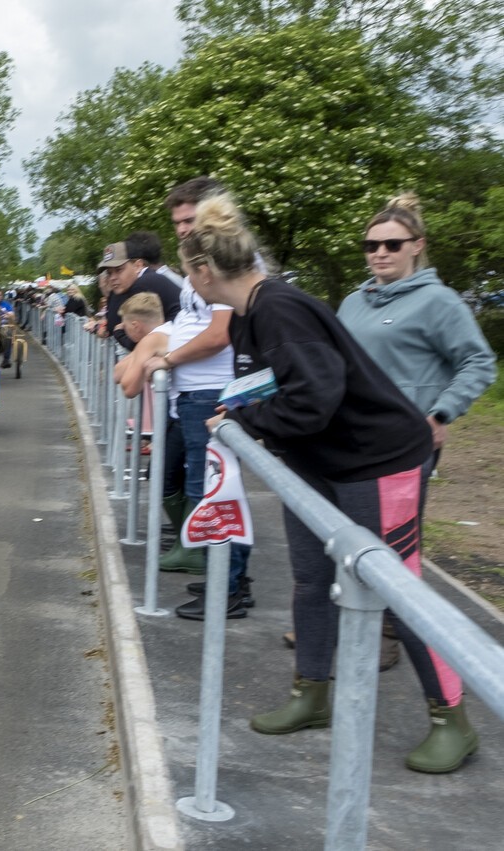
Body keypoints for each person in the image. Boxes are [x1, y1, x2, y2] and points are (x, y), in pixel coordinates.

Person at [187, 192, 477, 774]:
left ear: (204, 272)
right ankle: (310, 693)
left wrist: (245, 423)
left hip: (381, 459)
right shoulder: (251, 314)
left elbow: (314, 400)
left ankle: (453, 720)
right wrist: (241, 414)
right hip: (320, 462)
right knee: (311, 579)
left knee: (399, 590)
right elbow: (274, 388)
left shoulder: (279, 309)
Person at [336, 192, 497, 671]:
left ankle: (389, 634)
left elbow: (478, 361)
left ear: (416, 246)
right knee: (349, 536)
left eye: (391, 244)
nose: (379, 253)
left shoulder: (439, 301)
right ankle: (339, 624)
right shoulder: (353, 301)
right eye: (371, 245)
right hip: (351, 442)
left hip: (405, 446)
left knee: (394, 546)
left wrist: (440, 413)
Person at [142, 176, 253, 620]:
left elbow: (218, 335)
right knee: (211, 491)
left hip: (213, 392)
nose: (184, 229)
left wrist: (169, 359)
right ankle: (227, 580)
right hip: (196, 394)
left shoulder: (228, 259)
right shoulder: (200, 261)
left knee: (212, 493)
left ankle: (226, 589)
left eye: (191, 219)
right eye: (178, 223)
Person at [99, 240, 181, 350]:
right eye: (109, 273)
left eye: (119, 270)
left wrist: (119, 333)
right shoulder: (146, 279)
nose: (112, 278)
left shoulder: (143, 284)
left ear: (138, 266)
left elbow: (136, 340)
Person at [113, 293, 170, 398]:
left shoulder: (152, 339)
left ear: (136, 326)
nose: (124, 330)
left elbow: (128, 388)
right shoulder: (169, 330)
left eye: (125, 326)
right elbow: (117, 373)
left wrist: (138, 355)